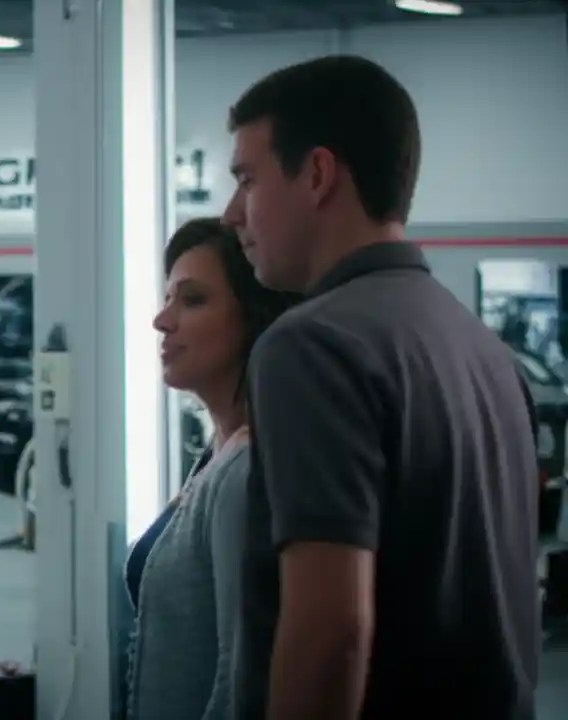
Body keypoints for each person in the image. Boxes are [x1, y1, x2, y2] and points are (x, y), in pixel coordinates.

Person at [222, 55, 541, 719]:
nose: (231, 214)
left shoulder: (312, 346)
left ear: (317, 174)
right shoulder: (485, 352)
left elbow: (331, 632)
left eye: (247, 180)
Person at [122, 217, 298, 720]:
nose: (162, 320)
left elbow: (236, 675)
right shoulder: (214, 455)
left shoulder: (243, 471)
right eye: (167, 297)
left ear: (253, 318)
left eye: (192, 300)